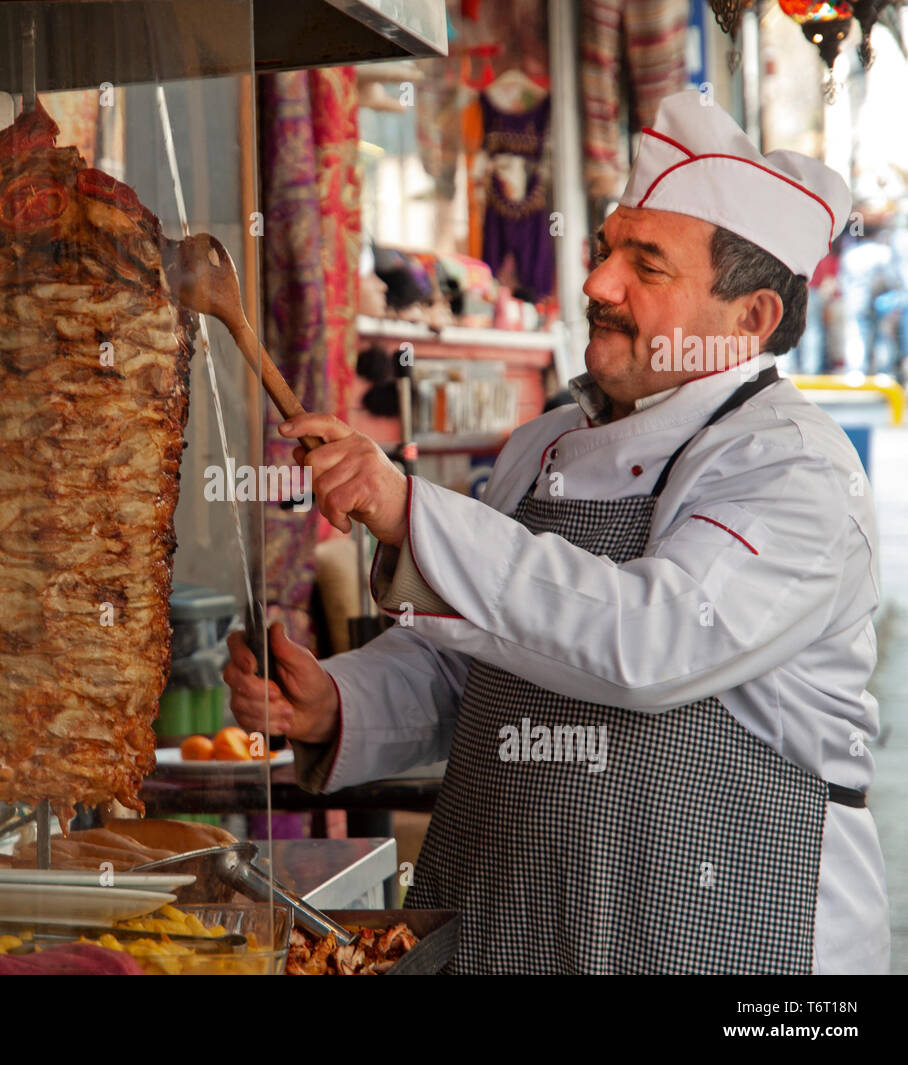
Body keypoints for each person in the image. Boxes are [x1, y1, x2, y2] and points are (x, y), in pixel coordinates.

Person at [224, 91, 889, 974]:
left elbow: (650, 641)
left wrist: (412, 511)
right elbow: (474, 662)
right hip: (520, 914)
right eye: (608, 247)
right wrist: (340, 702)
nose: (596, 283)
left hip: (724, 930)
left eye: (646, 266)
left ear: (752, 318)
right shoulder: (545, 443)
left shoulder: (795, 471)